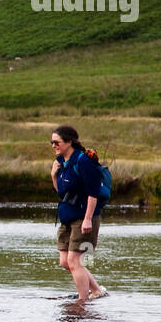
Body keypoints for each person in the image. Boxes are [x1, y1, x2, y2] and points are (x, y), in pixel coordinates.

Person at [50, 125, 107, 309]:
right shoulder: (61, 162)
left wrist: (88, 219)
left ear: (69, 142)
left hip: (83, 218)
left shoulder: (83, 162)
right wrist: (53, 175)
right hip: (67, 218)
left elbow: (93, 193)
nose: (53, 146)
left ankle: (82, 302)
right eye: (51, 142)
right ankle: (97, 290)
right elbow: (63, 193)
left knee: (75, 261)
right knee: (65, 262)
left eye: (56, 142)